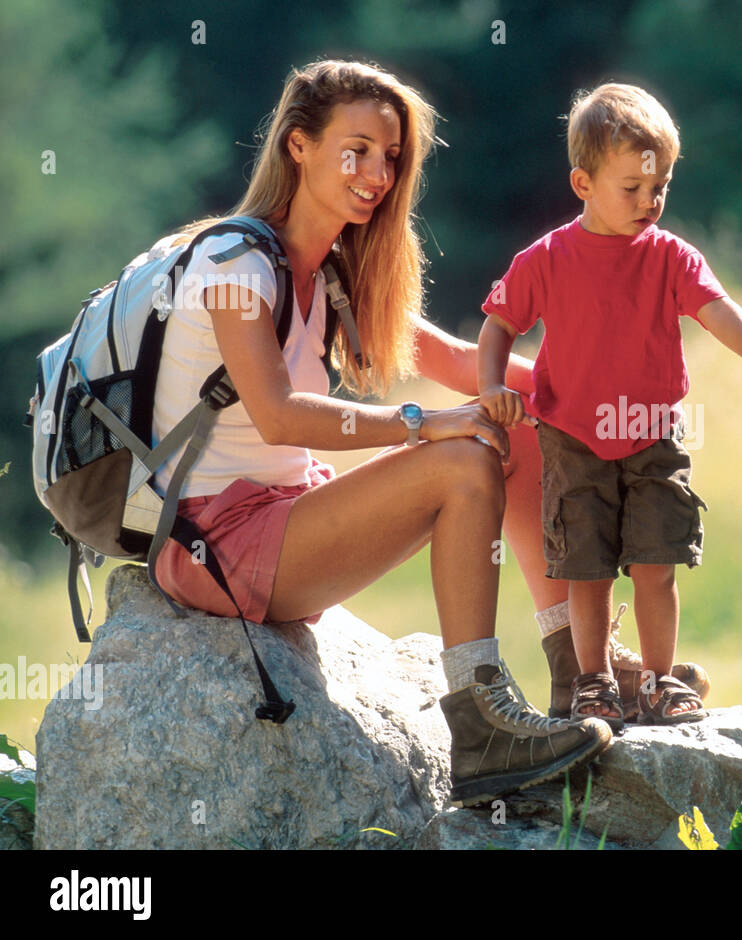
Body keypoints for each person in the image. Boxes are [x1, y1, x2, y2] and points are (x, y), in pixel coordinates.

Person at [149, 59, 609, 807]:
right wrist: (421, 425)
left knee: (509, 425)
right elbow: (279, 414)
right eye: (355, 149)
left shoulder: (325, 273)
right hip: (217, 544)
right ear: (298, 146)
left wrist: (578, 398)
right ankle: (482, 727)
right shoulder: (236, 264)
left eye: (391, 157)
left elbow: (461, 362)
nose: (376, 173)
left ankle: (581, 669)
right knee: (463, 460)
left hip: (282, 518)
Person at [477, 83, 742, 729]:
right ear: (583, 183)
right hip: (572, 439)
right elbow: (498, 324)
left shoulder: (671, 255)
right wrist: (492, 386)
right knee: (587, 572)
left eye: (661, 187)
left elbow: (716, 307)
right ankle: (593, 683)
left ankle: (659, 681)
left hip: (653, 437)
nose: (649, 201)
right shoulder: (546, 258)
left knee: (657, 565)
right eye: (633, 188)